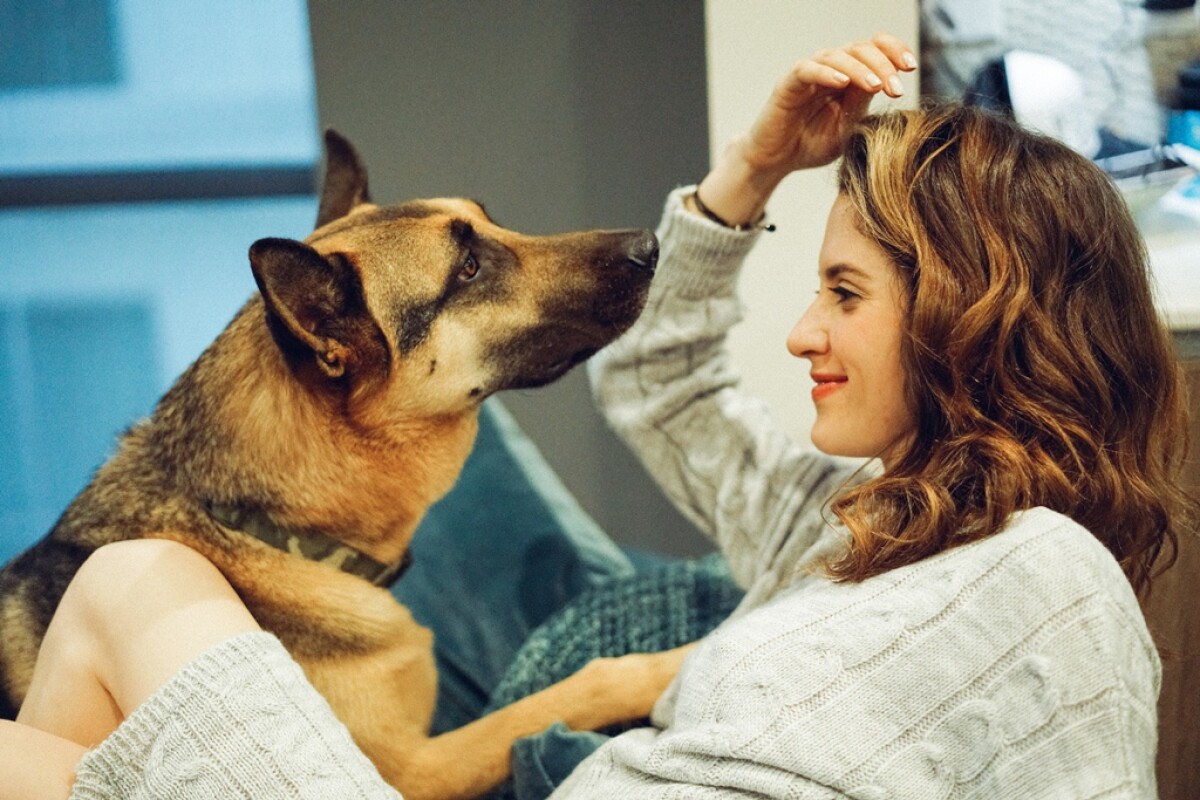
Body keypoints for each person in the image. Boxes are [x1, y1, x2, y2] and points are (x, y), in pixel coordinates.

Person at [3, 32, 1194, 799]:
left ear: (973, 322)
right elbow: (662, 381)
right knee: (119, 597)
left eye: (843, 292)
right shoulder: (848, 519)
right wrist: (753, 170)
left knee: (127, 590)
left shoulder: (1047, 575)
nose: (801, 332)